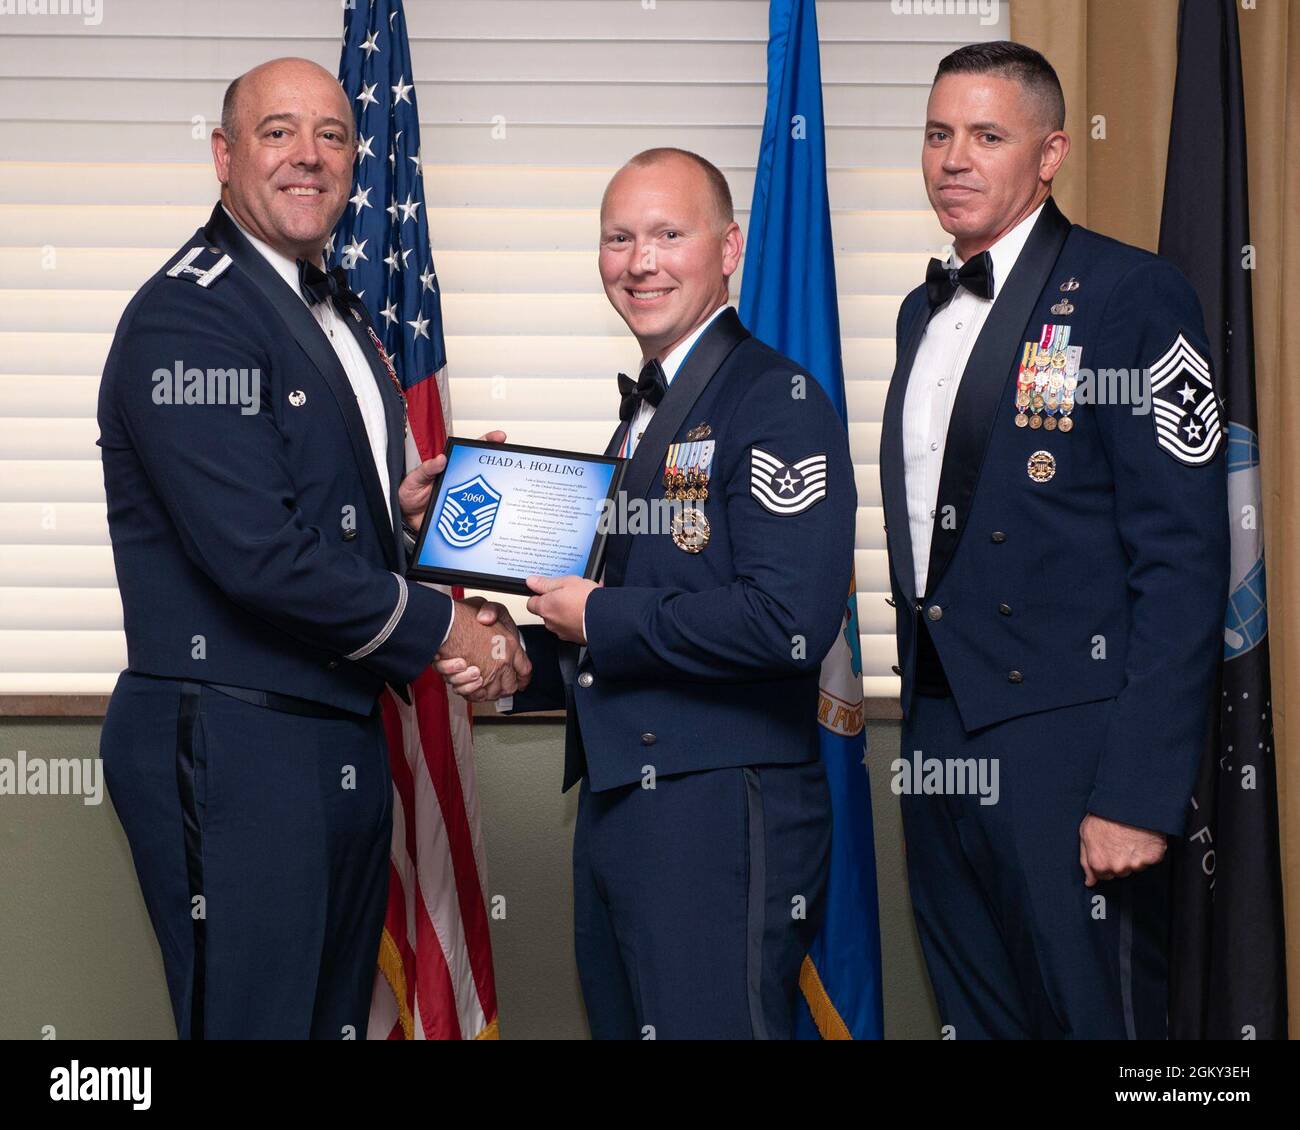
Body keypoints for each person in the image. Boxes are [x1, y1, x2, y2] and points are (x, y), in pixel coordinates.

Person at [97, 57, 528, 1039]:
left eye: (332, 135)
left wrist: (408, 517)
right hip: (234, 738)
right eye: (277, 131)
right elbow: (256, 554)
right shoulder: (191, 313)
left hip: (327, 728)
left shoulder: (322, 305)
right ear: (224, 154)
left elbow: (315, 520)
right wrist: (450, 625)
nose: (308, 156)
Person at [440, 148, 856, 1039]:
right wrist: (520, 665)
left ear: (730, 247)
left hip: (721, 811)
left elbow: (787, 621)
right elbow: (634, 617)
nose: (641, 261)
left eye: (670, 234)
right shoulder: (646, 411)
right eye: (619, 237)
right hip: (623, 803)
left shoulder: (775, 398)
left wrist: (595, 612)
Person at [879, 41, 1228, 1038]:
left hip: (1072, 744)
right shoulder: (919, 312)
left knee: (1099, 1023)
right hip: (941, 733)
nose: (954, 157)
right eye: (938, 133)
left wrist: (1136, 790)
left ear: (1050, 153)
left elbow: (1181, 559)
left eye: (987, 135)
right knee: (977, 1016)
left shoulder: (1130, 295)